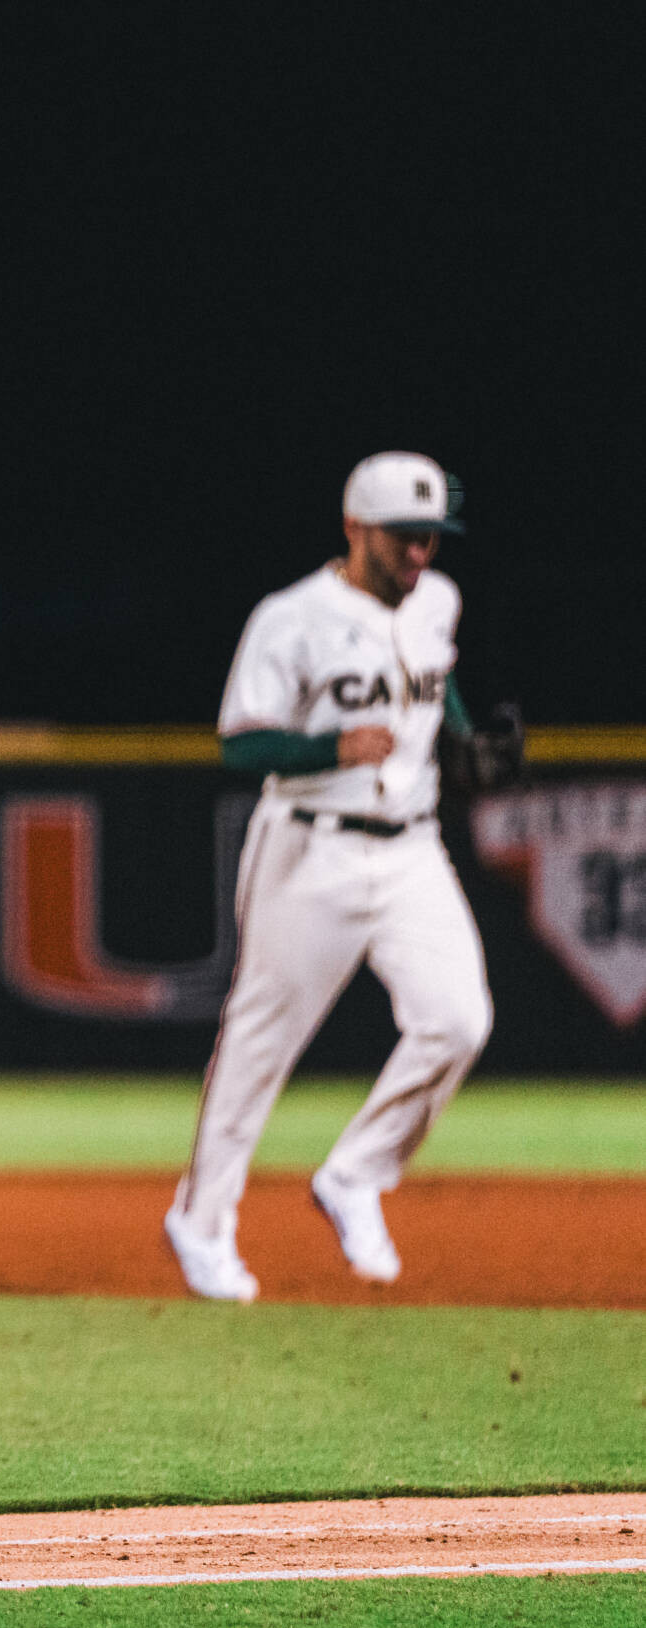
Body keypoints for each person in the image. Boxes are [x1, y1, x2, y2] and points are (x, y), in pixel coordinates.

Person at [165, 452, 494, 1301]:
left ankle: (356, 1171)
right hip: (310, 845)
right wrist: (329, 748)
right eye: (403, 537)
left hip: (413, 846)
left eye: (430, 537)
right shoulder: (292, 617)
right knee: (259, 1041)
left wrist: (464, 742)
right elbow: (240, 741)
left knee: (458, 1020)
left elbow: (437, 675)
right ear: (355, 527)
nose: (420, 552)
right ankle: (201, 1221)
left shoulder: (439, 602)